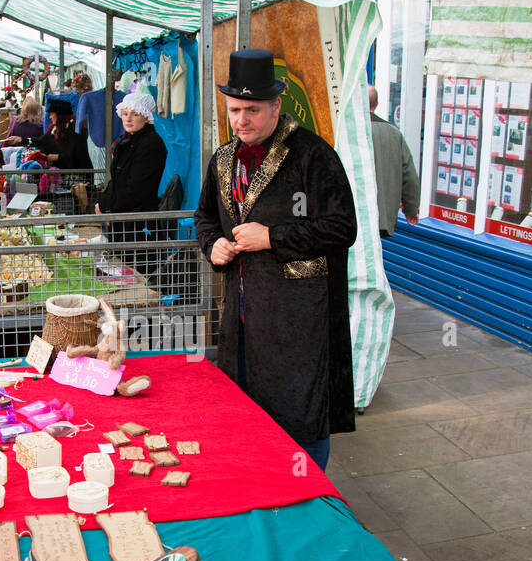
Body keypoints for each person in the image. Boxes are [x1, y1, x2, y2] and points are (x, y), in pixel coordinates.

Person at [194, 48, 357, 471]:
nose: (241, 120)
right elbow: (205, 216)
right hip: (242, 314)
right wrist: (212, 244)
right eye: (234, 110)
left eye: (252, 110)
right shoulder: (224, 158)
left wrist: (273, 237)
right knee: (246, 403)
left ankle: (309, 492)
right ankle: (259, 482)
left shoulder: (312, 156)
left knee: (298, 410)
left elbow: (343, 228)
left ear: (276, 106)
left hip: (298, 317)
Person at [94, 91, 167, 217]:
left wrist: (106, 206)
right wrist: (103, 203)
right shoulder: (126, 141)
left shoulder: (150, 144)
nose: (128, 119)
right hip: (123, 216)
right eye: (125, 113)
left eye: (135, 114)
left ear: (146, 117)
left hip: (138, 220)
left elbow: (136, 190)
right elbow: (117, 181)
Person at [368, 86, 420, 236]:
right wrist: (411, 209)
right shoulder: (394, 133)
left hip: (353, 216)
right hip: (383, 217)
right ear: (376, 105)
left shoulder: (349, 130)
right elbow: (408, 174)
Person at [38, 99, 93, 171]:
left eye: (52, 114)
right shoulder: (56, 130)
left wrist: (57, 157)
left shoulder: (75, 131)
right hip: (67, 173)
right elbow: (43, 141)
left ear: (59, 115)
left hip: (80, 174)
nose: (50, 117)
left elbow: (75, 154)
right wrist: (23, 140)